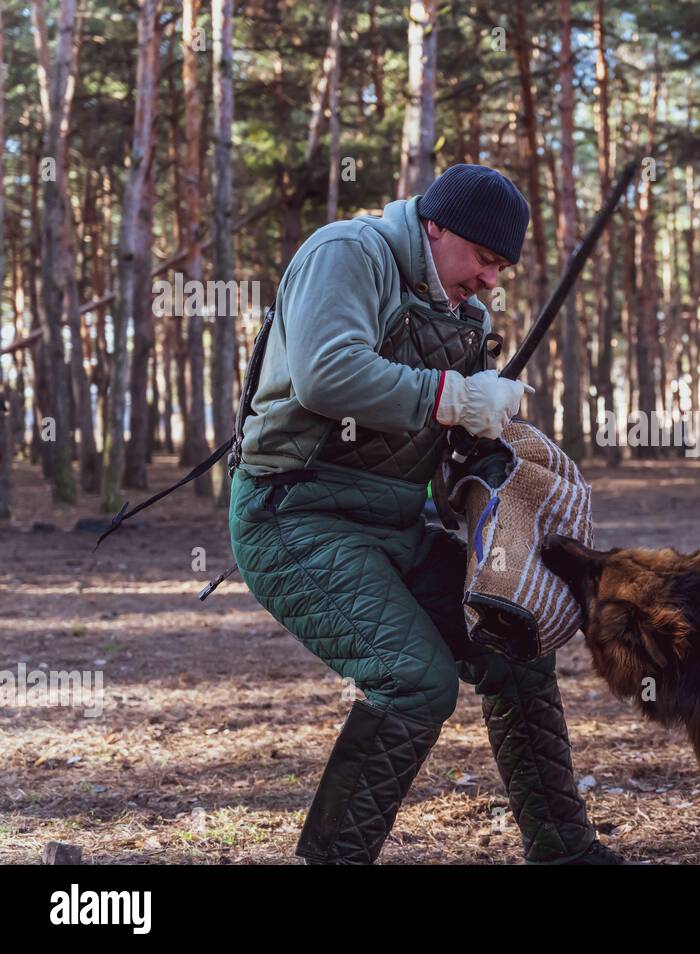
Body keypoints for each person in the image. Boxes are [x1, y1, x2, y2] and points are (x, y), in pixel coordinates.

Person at [227, 163, 625, 864]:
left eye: (502, 266)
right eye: (483, 258)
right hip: (294, 516)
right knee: (413, 679)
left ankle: (566, 853)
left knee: (514, 644)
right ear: (434, 227)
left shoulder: (466, 316)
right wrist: (454, 395)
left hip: (398, 526)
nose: (490, 280)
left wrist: (496, 459)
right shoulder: (348, 254)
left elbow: (443, 462)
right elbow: (326, 374)